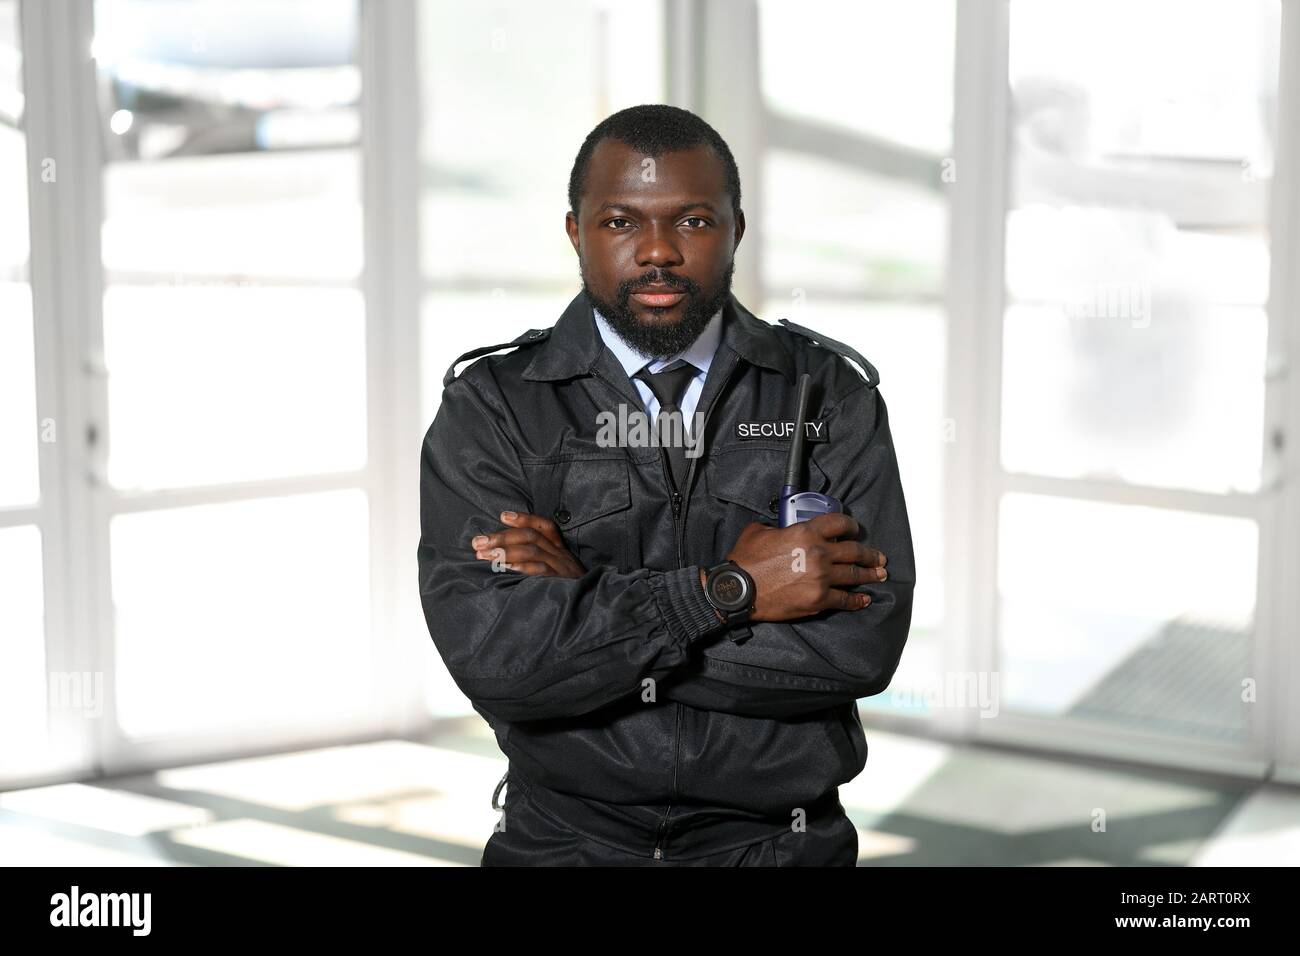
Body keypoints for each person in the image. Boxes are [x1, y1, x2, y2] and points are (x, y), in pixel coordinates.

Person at [418, 104, 915, 866]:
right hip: (563, 844)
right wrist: (730, 589)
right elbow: (497, 663)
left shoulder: (826, 396)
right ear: (575, 231)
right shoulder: (495, 403)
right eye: (620, 222)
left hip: (777, 847)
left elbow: (858, 650)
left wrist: (588, 612)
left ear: (736, 230)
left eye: (692, 222)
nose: (657, 252)